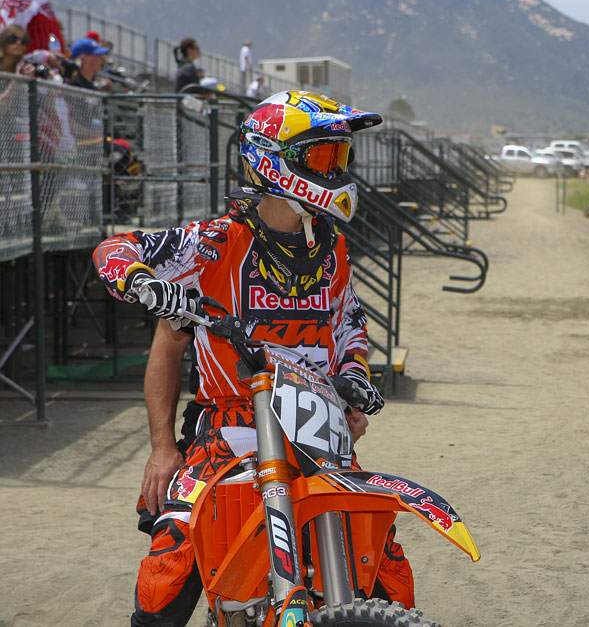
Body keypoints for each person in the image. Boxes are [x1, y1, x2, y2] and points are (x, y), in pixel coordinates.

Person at [93, 90, 413, 626]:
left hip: (317, 431)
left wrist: (353, 379)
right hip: (229, 432)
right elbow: (115, 249)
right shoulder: (217, 242)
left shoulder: (332, 250)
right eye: (321, 157)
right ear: (272, 158)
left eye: (340, 157)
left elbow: (349, 325)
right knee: (164, 578)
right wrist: (148, 286)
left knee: (387, 572)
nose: (334, 171)